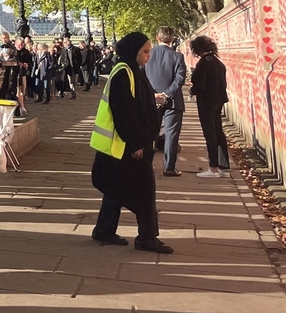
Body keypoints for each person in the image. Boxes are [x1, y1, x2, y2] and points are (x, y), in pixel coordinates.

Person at [89, 32, 173, 254]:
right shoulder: (124, 73)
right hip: (126, 146)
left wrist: (152, 99)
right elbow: (123, 111)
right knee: (145, 193)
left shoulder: (130, 70)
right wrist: (136, 144)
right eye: (145, 51)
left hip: (120, 147)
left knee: (116, 188)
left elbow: (135, 101)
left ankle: (104, 230)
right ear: (134, 51)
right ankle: (146, 238)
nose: (149, 55)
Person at [145, 26, 187, 177]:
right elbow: (180, 79)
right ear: (172, 38)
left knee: (149, 133)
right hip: (173, 100)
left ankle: (146, 167)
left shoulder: (148, 55)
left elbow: (142, 77)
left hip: (152, 99)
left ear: (157, 38)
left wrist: (154, 94)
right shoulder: (178, 57)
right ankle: (169, 167)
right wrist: (167, 93)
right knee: (172, 134)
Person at [189, 35, 231, 178]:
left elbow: (200, 85)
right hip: (218, 100)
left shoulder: (203, 64)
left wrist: (192, 89)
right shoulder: (219, 63)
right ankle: (223, 166)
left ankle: (213, 167)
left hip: (206, 101)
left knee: (210, 133)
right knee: (218, 131)